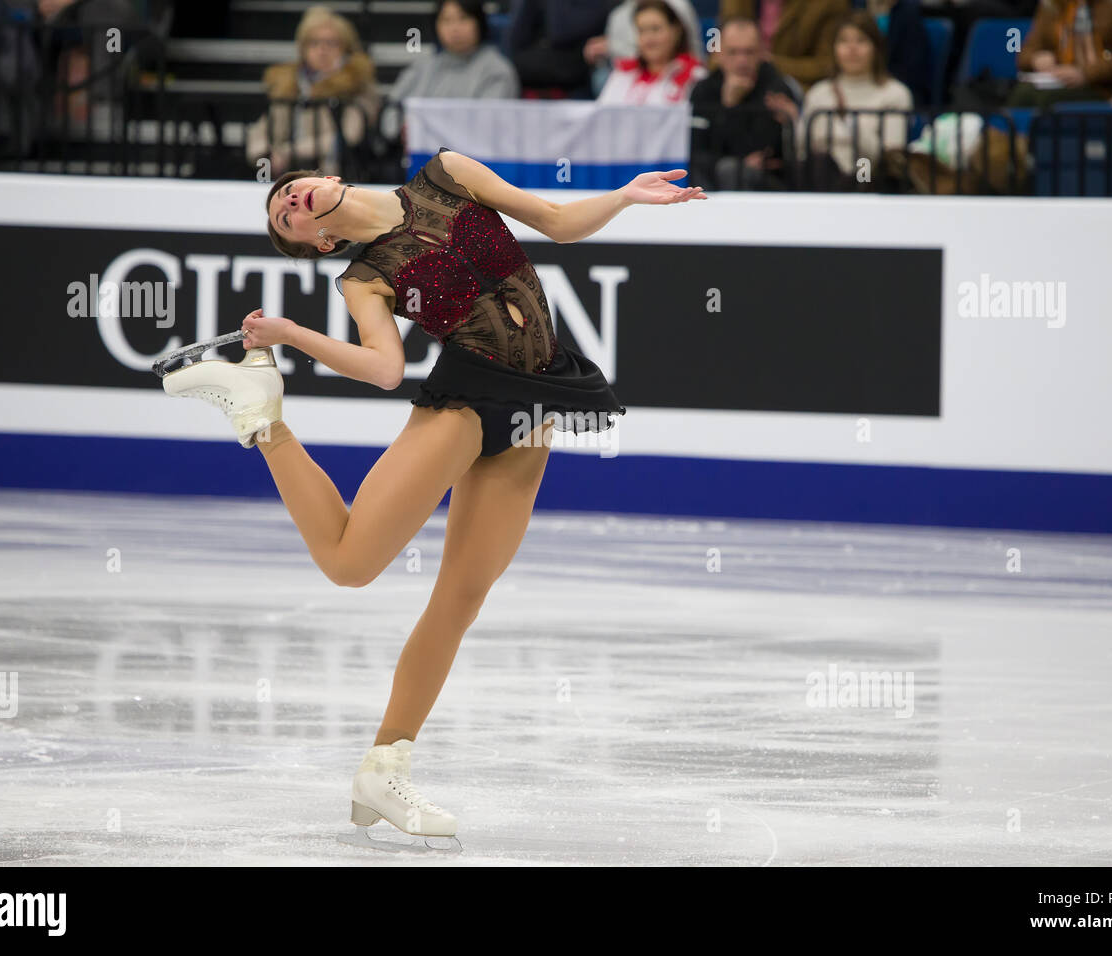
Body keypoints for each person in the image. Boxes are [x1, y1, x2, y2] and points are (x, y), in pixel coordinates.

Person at [159, 147, 706, 848]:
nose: (291, 200)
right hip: (469, 398)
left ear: (325, 180)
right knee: (350, 563)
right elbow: (386, 369)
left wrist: (626, 196)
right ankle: (262, 419)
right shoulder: (363, 279)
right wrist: (292, 336)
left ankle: (384, 766)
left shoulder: (446, 173)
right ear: (317, 242)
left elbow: (556, 222)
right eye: (284, 215)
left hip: (537, 399)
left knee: (462, 597)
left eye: (291, 190)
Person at [245, 5, 380, 179]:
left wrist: (290, 151)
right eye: (314, 43)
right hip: (285, 175)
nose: (322, 50)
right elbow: (264, 129)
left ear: (346, 48)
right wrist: (266, 152)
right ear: (303, 49)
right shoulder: (289, 84)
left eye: (331, 43)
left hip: (334, 177)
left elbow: (350, 135)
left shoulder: (357, 83)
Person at [798, 11, 913, 186]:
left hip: (867, 173)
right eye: (844, 41)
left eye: (861, 40)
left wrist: (851, 125)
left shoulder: (895, 93)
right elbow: (802, 150)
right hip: (823, 173)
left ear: (876, 47)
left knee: (863, 166)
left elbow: (891, 157)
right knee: (818, 163)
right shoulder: (819, 93)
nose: (852, 48)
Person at [689, 15, 804, 188]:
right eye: (733, 52)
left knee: (734, 170)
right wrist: (728, 106)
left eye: (749, 52)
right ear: (718, 53)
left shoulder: (777, 87)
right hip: (712, 182)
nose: (741, 61)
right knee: (723, 169)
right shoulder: (703, 90)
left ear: (762, 52)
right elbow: (698, 150)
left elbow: (769, 151)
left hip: (766, 183)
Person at [381, 0, 519, 144]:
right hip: (416, 157)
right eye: (446, 20)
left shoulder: (497, 71)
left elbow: (487, 128)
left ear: (479, 22)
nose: (455, 28)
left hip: (471, 162)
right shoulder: (422, 67)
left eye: (463, 18)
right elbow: (391, 109)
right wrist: (401, 130)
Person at [1009, 0, 1112, 105]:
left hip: (1101, 87)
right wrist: (1036, 59)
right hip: (1059, 80)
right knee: (1022, 92)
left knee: (1048, 100)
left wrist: (1085, 73)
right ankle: (1005, 139)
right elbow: (1024, 54)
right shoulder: (1052, 5)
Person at [718, 0, 852, 91]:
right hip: (737, 81)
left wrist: (770, 63)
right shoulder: (735, 3)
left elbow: (827, 64)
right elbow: (718, 47)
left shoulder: (828, 4)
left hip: (796, 88)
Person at [597, 0, 710, 104]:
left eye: (655, 29)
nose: (648, 39)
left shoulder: (696, 78)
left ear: (676, 31)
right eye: (642, 31)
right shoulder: (622, 76)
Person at [506, 0, 613, 98]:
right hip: (549, 55)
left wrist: (609, 41)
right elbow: (517, 40)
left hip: (588, 60)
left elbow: (560, 32)